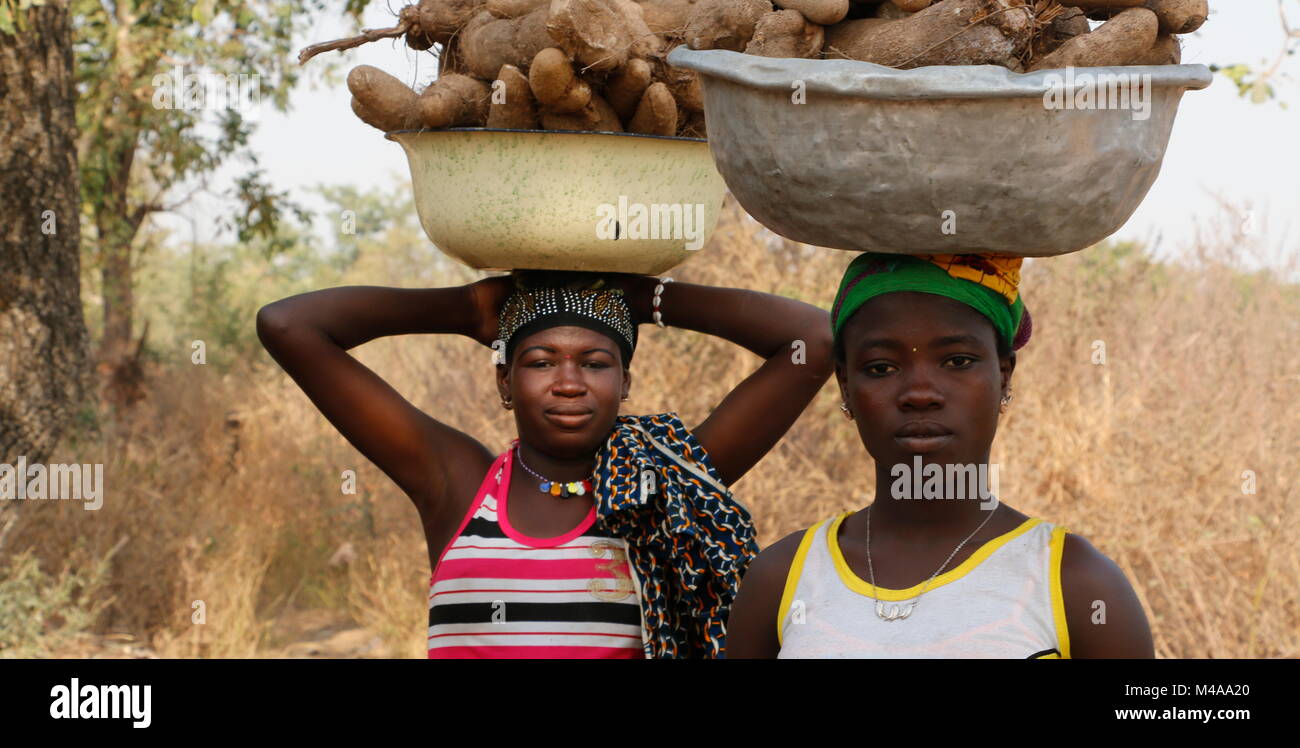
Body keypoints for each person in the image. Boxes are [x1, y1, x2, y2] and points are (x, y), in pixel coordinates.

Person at [256, 269, 832, 658]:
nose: (569, 383)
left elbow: (814, 338)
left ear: (625, 381)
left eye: (596, 362)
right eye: (540, 360)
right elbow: (289, 326)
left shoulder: (665, 485)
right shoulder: (458, 484)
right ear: (505, 381)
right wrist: (464, 308)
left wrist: (648, 299)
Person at [726, 252, 1154, 658]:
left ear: (1003, 376)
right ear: (845, 388)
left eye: (957, 360)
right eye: (881, 368)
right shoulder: (781, 581)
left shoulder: (1074, 584)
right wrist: (658, 296)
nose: (920, 393)